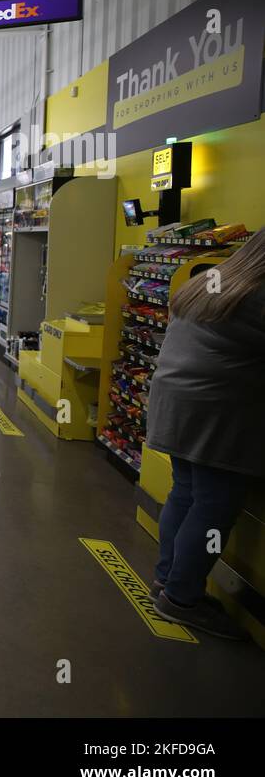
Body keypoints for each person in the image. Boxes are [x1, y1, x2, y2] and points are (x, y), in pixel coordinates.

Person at [146, 226, 265, 640]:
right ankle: (182, 598)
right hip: (216, 414)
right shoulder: (258, 295)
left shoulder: (212, 280)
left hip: (177, 404)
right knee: (215, 507)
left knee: (186, 493)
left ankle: (169, 582)